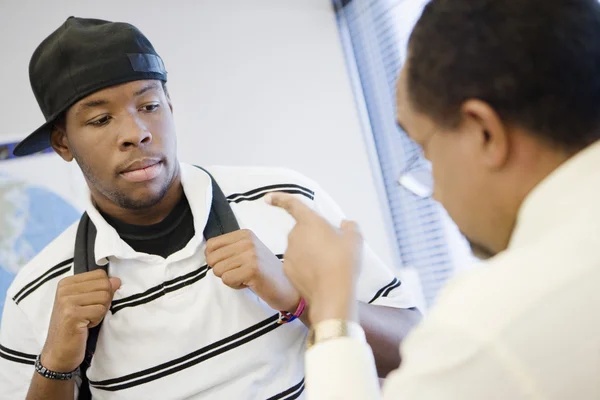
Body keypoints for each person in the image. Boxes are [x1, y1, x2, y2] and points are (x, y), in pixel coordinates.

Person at [0, 17, 421, 400]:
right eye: (100, 120)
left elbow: (415, 348)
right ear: (62, 143)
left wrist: (300, 298)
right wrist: (55, 364)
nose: (136, 133)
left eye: (148, 106)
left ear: (170, 107)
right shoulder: (34, 294)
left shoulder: (283, 202)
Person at [266, 0, 600, 398]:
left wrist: (329, 310)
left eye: (424, 149)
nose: (435, 191)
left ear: (484, 133)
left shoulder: (493, 323)